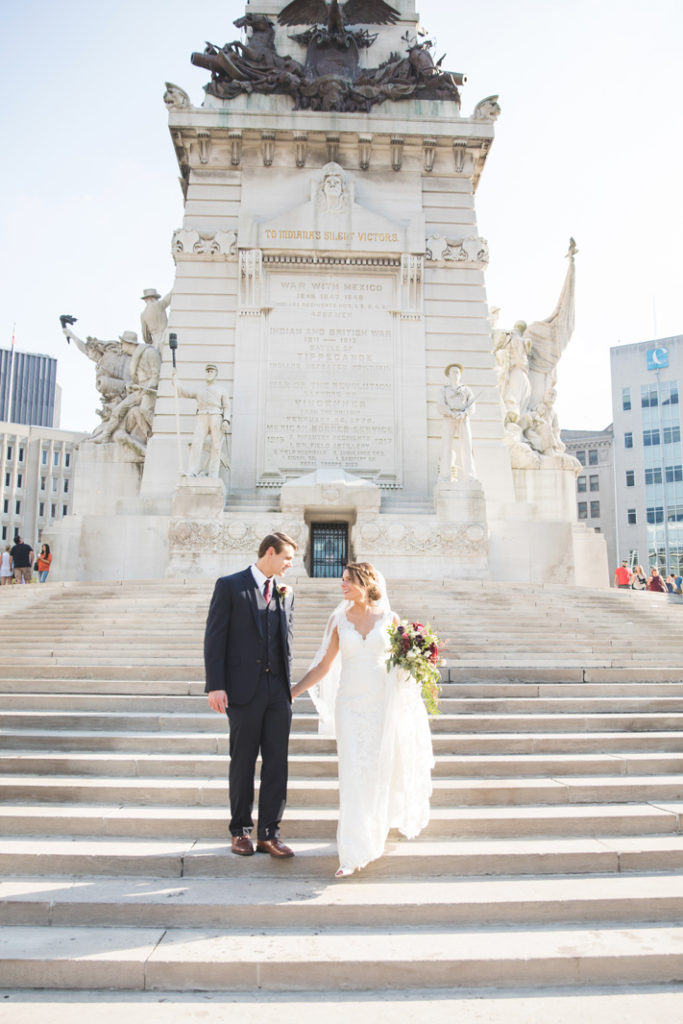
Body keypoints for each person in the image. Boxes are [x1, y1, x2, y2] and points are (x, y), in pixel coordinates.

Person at [291, 562, 434, 878]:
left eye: (348, 581)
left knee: (378, 771)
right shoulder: (338, 619)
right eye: (342, 580)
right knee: (353, 774)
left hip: (382, 705)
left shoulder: (391, 619)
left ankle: (373, 832)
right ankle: (352, 852)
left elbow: (403, 663)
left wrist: (421, 660)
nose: (342, 586)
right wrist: (293, 691)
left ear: (366, 583)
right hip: (350, 707)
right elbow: (323, 667)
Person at [204, 531, 298, 858]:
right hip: (242, 691)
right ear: (269, 553)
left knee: (277, 763)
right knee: (243, 761)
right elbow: (215, 638)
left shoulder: (286, 593)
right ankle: (241, 831)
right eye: (287, 558)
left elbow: (285, 643)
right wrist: (215, 685)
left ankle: (270, 833)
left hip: (277, 693)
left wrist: (288, 690)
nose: (290, 565)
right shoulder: (230, 586)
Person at [173, 363, 231, 477]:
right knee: (196, 443)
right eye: (207, 371)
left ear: (216, 374)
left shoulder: (222, 390)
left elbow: (227, 406)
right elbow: (183, 392)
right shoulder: (199, 388)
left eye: (211, 371)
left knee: (216, 446)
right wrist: (175, 379)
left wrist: (226, 420)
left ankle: (213, 474)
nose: (209, 373)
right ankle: (192, 471)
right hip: (202, 416)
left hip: (216, 417)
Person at [437, 363, 477, 482]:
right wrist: (451, 413)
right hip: (449, 418)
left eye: (458, 372)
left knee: (467, 447)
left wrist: (464, 414)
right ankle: (445, 476)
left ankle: (470, 475)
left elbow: (472, 405)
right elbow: (440, 405)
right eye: (453, 372)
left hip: (463, 418)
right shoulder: (443, 389)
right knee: (446, 447)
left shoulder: (466, 389)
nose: (456, 374)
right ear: (448, 375)